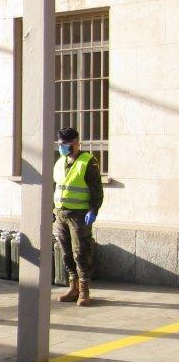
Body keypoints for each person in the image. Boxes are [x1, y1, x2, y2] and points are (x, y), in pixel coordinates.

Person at [52, 127, 103, 306]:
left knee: (81, 252)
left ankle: (84, 291)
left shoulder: (87, 161)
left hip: (79, 215)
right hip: (60, 214)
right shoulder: (59, 162)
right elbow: (56, 187)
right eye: (60, 144)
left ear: (75, 143)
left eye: (65, 144)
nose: (62, 147)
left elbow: (96, 188)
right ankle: (73, 287)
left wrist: (93, 209)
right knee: (65, 252)